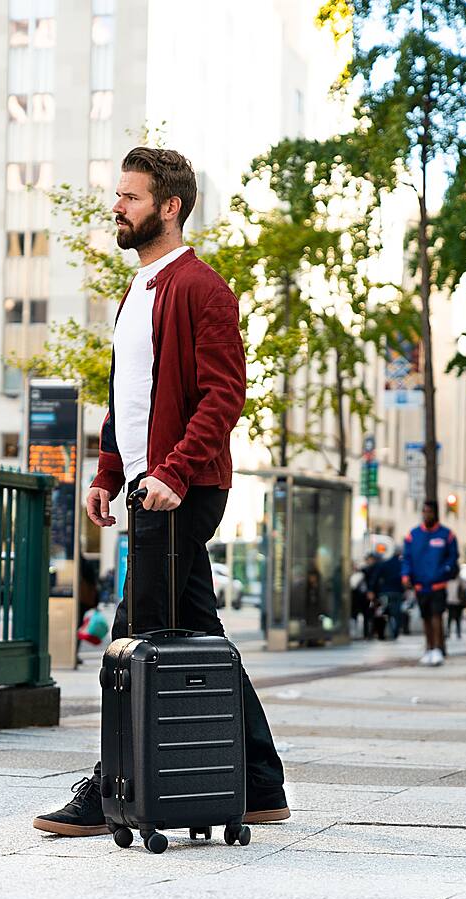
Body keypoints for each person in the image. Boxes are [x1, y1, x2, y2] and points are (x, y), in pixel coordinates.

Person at [33, 147, 289, 836]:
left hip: (181, 490)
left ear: (168, 207)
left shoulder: (202, 287)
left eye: (130, 197)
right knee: (197, 632)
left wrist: (173, 472)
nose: (117, 206)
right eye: (119, 196)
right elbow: (130, 401)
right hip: (148, 487)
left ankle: (107, 788)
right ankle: (262, 785)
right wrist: (108, 474)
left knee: (132, 639)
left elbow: (223, 395)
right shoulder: (137, 289)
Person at [401, 499, 459, 667]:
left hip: (438, 584)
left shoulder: (446, 534)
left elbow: (452, 557)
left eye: (430, 512)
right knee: (426, 617)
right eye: (424, 512)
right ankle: (429, 647)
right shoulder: (413, 535)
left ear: (435, 513)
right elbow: (407, 558)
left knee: (436, 616)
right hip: (420, 584)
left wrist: (444, 571)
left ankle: (438, 649)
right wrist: (406, 575)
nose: (427, 515)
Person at [370, 546, 404, 640]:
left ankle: (383, 632)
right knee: (396, 613)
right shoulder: (401, 564)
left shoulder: (385, 564)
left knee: (384, 612)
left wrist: (371, 590)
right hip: (397, 591)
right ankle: (394, 632)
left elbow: (375, 578)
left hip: (385, 591)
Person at [445, 572, 464, 640]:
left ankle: (458, 633)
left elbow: (463, 589)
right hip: (451, 602)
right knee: (450, 619)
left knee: (457, 619)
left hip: (457, 602)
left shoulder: (459, 580)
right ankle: (449, 632)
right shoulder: (449, 581)